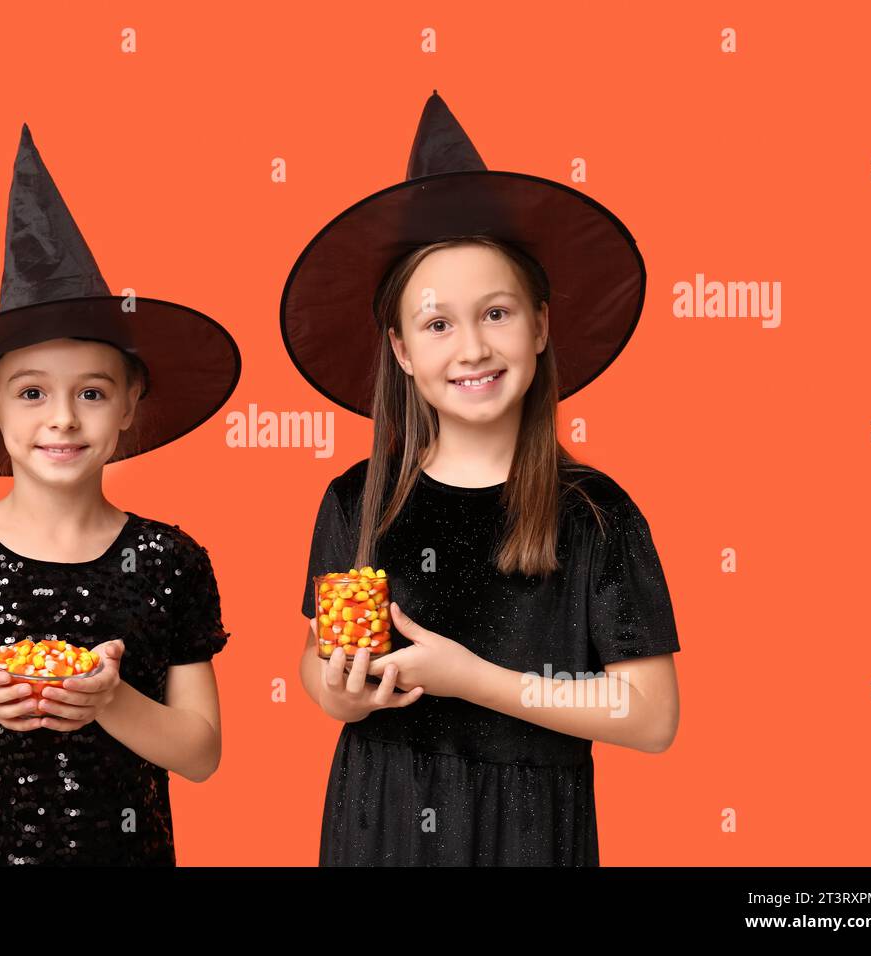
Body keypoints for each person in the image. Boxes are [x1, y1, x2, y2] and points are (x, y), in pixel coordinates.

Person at [283, 91, 682, 865]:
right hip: (379, 825)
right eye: (438, 323)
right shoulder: (358, 499)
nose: (471, 348)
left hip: (527, 834)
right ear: (402, 351)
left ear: (540, 324)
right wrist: (338, 691)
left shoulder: (595, 514)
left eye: (496, 313)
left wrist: (471, 678)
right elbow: (316, 659)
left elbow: (651, 716)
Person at [0, 124, 242, 866]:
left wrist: (110, 699)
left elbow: (200, 754)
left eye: (91, 393)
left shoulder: (170, 558)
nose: (63, 418)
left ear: (129, 404)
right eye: (32, 392)